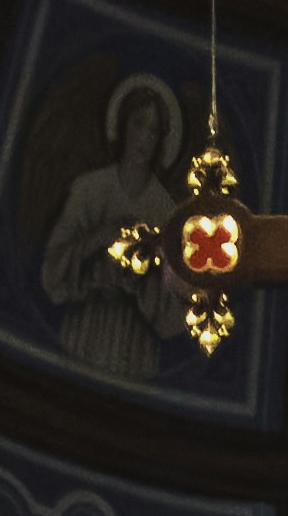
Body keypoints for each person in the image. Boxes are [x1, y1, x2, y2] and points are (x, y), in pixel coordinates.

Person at [36, 71, 186, 383]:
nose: (144, 137)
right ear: (122, 125)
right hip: (86, 324)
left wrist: (146, 274)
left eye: (154, 130)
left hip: (135, 342)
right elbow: (54, 263)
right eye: (138, 124)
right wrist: (98, 239)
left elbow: (175, 303)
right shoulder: (88, 189)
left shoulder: (166, 211)